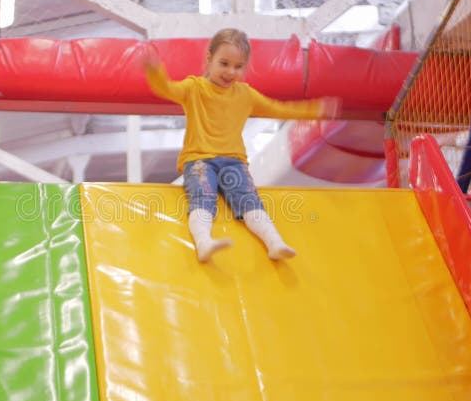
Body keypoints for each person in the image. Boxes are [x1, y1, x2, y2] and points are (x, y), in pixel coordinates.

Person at [143, 28, 340, 262]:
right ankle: (204, 242)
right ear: (209, 60)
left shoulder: (245, 95)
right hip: (199, 160)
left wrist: (314, 110)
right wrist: (155, 71)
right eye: (224, 63)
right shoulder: (194, 88)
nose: (230, 72)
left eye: (238, 66)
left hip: (233, 161)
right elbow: (166, 88)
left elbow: (278, 108)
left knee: (248, 198)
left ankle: (274, 242)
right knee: (203, 196)